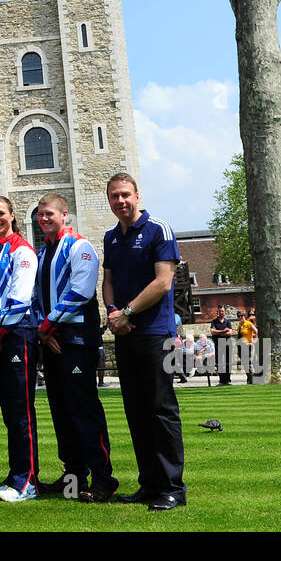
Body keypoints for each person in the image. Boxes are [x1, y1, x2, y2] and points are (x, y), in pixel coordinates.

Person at [102, 172, 187, 511]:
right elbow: (107, 280)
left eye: (125, 194)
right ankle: (149, 484)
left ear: (137, 195)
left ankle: (172, 488)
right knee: (136, 411)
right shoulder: (110, 237)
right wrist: (112, 312)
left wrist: (127, 311)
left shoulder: (158, 230)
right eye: (114, 196)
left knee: (161, 410)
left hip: (155, 334)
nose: (120, 201)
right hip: (125, 334)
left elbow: (164, 282)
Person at [35, 193, 116, 504]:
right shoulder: (43, 254)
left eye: (50, 213)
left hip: (76, 341)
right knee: (61, 412)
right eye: (41, 214)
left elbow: (80, 292)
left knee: (84, 409)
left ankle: (103, 478)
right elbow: (35, 297)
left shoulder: (79, 247)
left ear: (64, 214)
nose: (44, 218)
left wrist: (47, 325)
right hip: (52, 341)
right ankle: (73, 477)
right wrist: (43, 332)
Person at [0, 195, 40, 503]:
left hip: (17, 335)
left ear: (12, 215)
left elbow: (20, 297)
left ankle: (27, 480)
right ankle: (19, 472)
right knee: (9, 411)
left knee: (21, 411)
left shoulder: (22, 249)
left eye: (1, 213)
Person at [209, 305, 234, 385]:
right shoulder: (214, 321)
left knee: (228, 362)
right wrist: (223, 331)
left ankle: (227, 380)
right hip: (218, 343)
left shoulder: (228, 322)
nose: (221, 312)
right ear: (218, 312)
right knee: (219, 362)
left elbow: (230, 333)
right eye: (220, 311)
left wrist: (218, 332)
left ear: (225, 312)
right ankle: (221, 380)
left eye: (222, 311)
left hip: (227, 343)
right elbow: (212, 331)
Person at [238, 309, 258, 384]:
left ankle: (253, 380)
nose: (240, 317)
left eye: (241, 316)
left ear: (244, 316)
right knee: (245, 364)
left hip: (249, 346)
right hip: (242, 347)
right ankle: (249, 379)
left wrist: (253, 341)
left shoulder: (248, 324)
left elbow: (256, 331)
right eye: (238, 316)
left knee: (250, 363)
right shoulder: (240, 325)